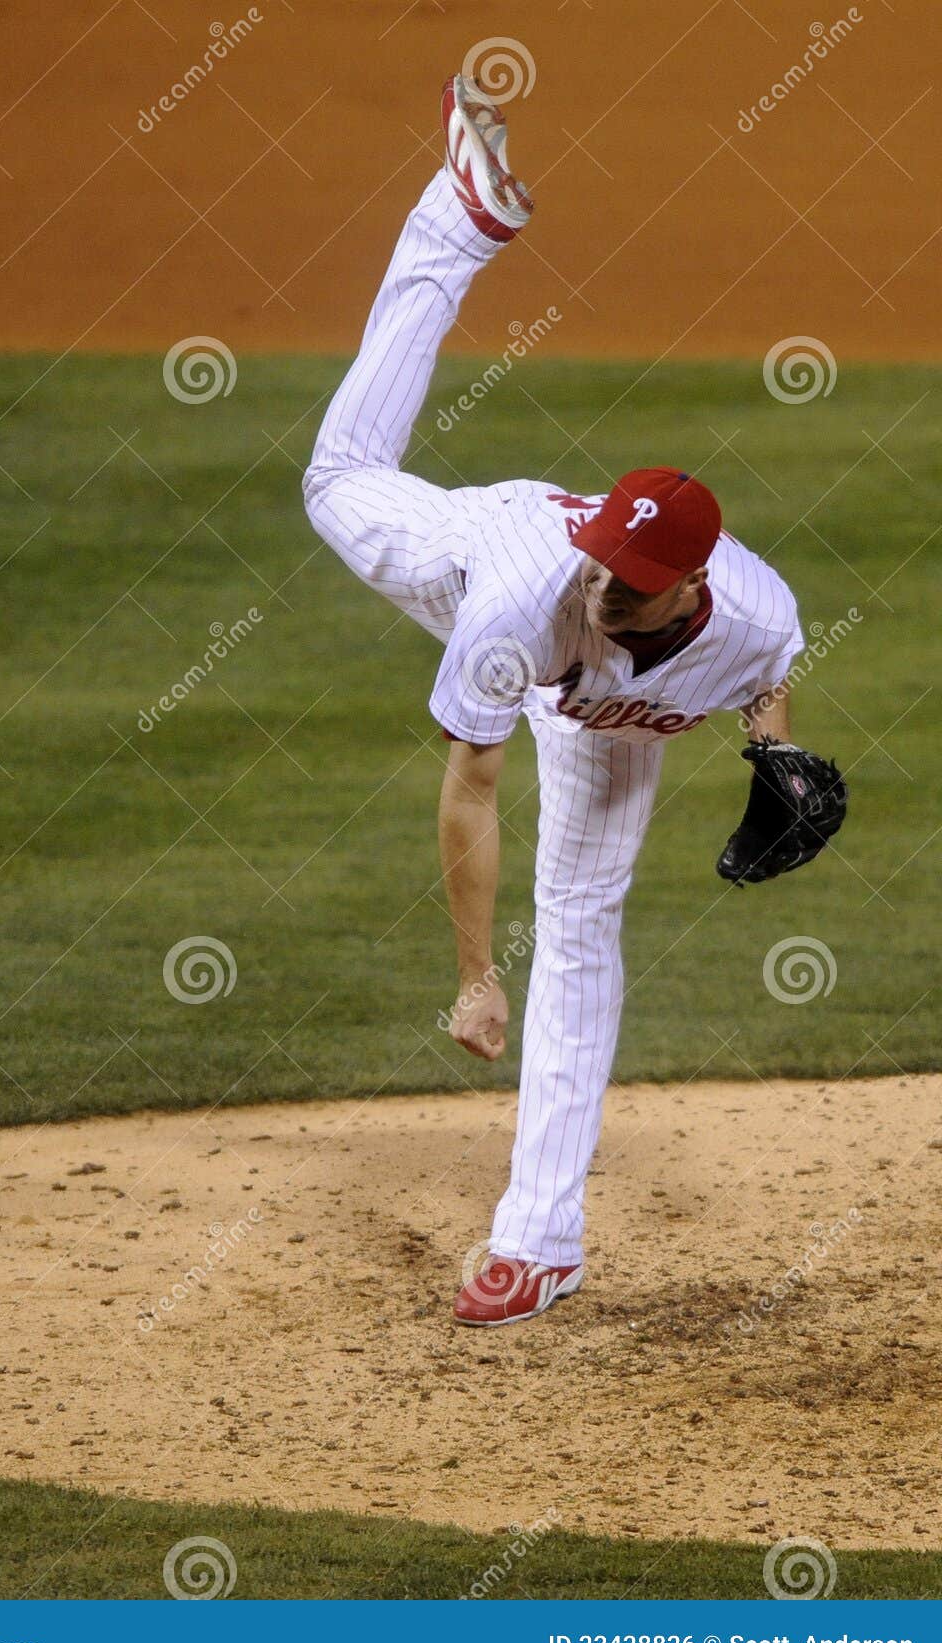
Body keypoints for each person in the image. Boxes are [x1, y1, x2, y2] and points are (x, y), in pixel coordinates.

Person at [302, 74, 844, 1326]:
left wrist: (775, 746)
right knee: (338, 475)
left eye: (637, 581)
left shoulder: (752, 617)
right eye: (606, 559)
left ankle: (536, 1241)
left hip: (599, 720)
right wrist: (474, 977)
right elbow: (469, 785)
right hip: (478, 551)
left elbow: (762, 672)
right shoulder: (527, 597)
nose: (611, 587)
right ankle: (456, 222)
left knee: (585, 920)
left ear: (692, 582)